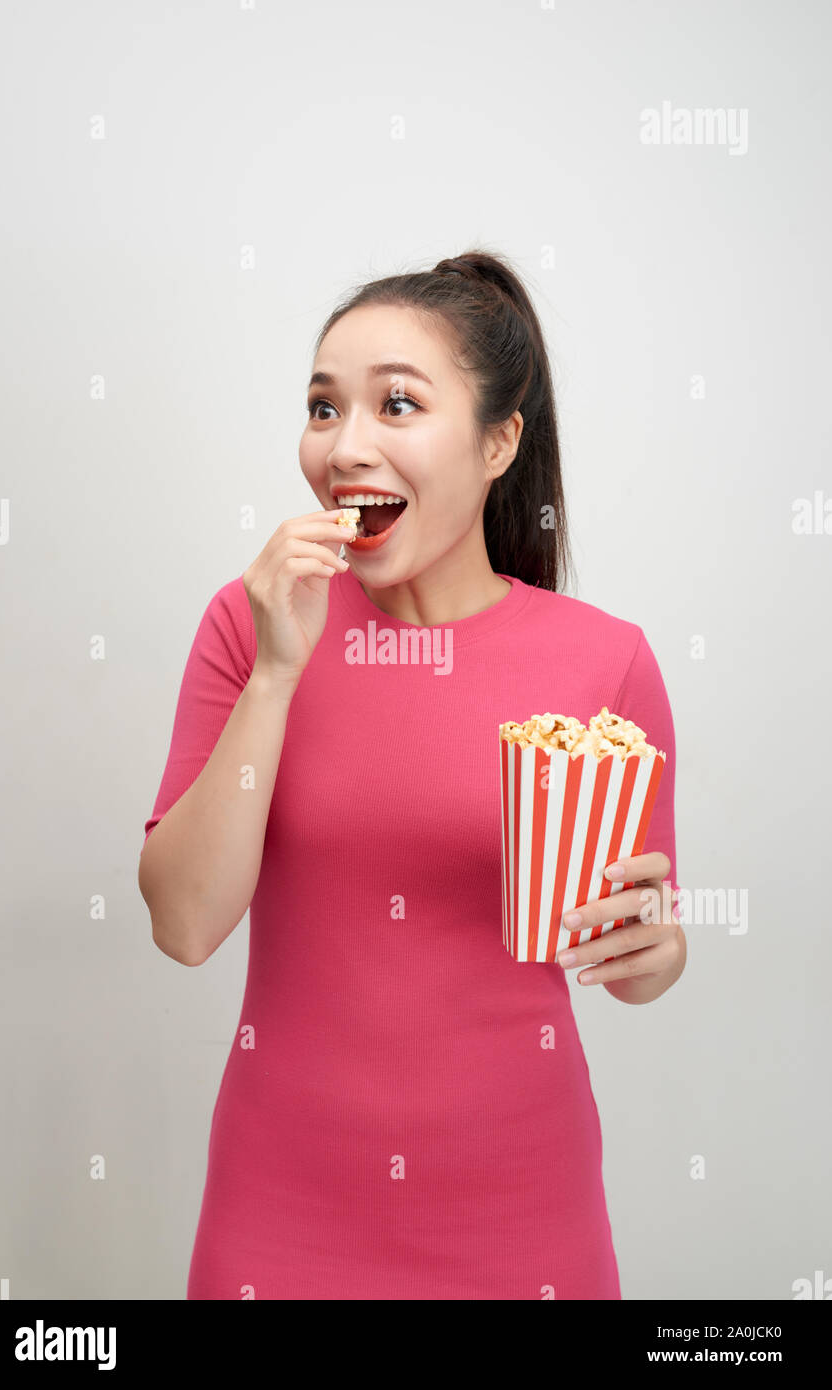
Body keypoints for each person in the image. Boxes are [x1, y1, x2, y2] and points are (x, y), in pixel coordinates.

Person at [138, 248, 685, 1300]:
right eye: (322, 407)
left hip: (525, 1216)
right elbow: (186, 924)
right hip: (280, 1213)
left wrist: (658, 951)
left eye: (397, 405)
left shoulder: (605, 661)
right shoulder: (249, 624)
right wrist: (277, 674)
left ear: (497, 442)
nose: (347, 448)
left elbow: (631, 957)